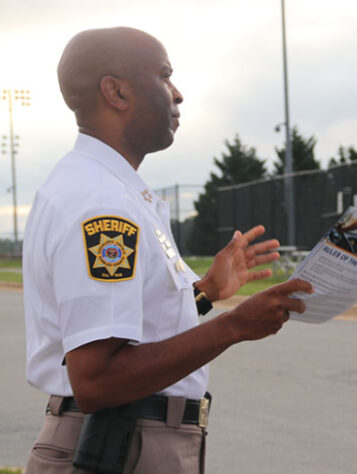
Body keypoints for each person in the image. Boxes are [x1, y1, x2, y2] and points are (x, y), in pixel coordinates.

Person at [23, 27, 313, 473]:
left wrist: (204, 294)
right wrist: (235, 325)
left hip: (126, 443)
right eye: (164, 76)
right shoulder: (101, 203)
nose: (178, 95)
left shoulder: (108, 189)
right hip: (116, 448)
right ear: (116, 92)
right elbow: (97, 380)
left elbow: (131, 329)